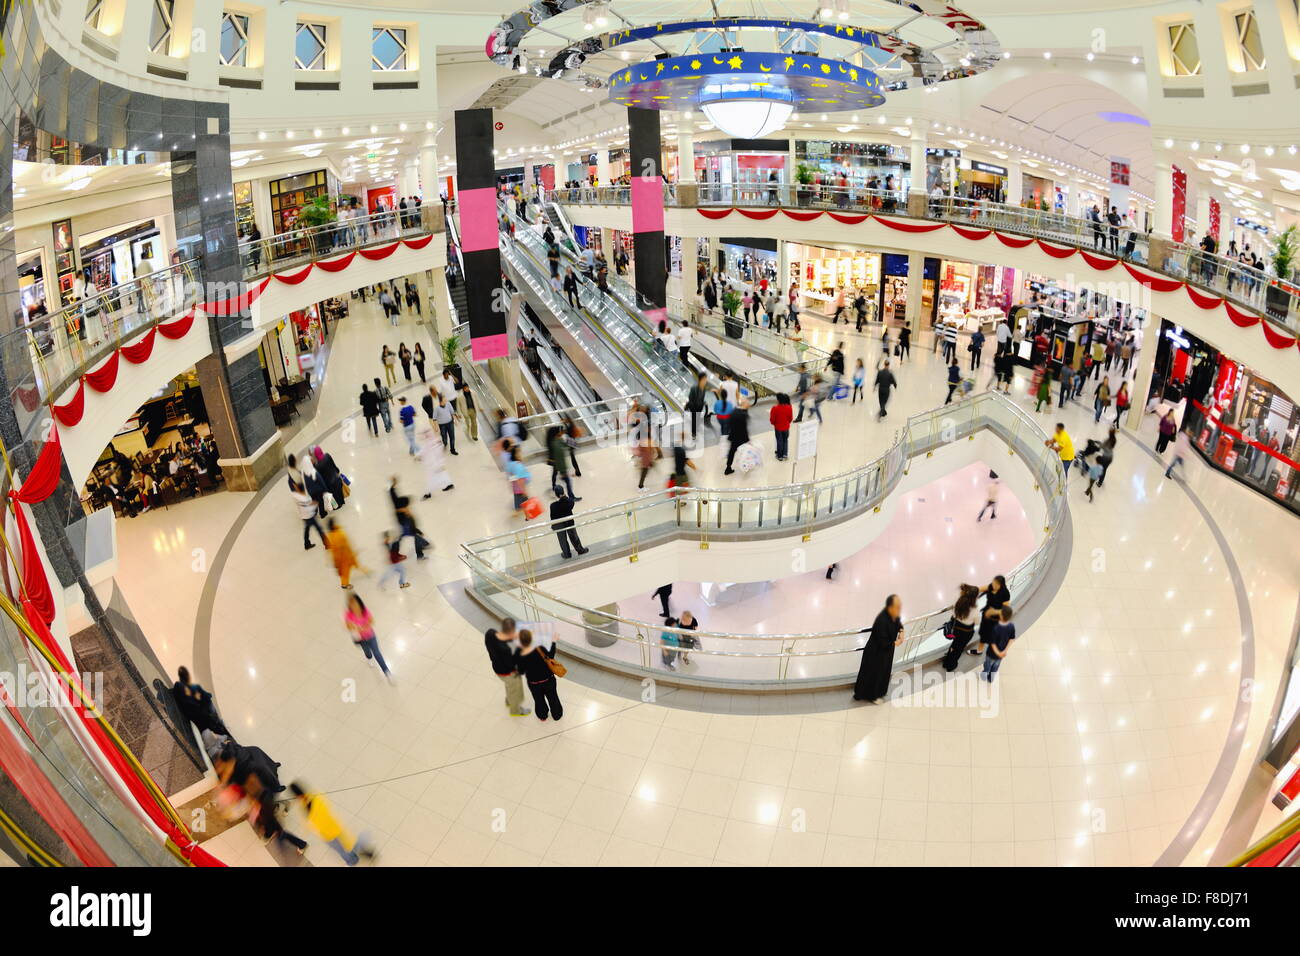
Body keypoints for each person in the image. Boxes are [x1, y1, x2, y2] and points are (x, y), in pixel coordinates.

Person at [289, 782, 375, 866]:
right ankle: (359, 849)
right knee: (347, 844)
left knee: (342, 849)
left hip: (329, 833)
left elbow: (312, 823)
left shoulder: (308, 804)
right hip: (333, 827)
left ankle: (354, 859)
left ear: (298, 796)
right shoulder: (313, 797)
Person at [854, 594, 904, 703]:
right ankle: (872, 696)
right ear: (890, 607)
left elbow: (899, 624)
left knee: (882, 672)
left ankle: (878, 692)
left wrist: (901, 631)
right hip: (876, 653)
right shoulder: (882, 620)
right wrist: (897, 642)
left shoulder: (893, 614)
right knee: (874, 674)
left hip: (886, 652)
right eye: (897, 606)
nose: (899, 609)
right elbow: (883, 641)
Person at [484, 617, 531, 716]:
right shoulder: (505, 650)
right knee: (516, 690)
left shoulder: (490, 633)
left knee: (509, 686)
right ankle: (515, 711)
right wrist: (520, 649)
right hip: (507, 672)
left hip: (497, 668)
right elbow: (511, 665)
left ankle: (509, 701)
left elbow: (501, 641)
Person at [344, 594, 393, 682]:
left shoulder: (365, 611)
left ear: (359, 603)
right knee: (367, 651)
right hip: (360, 639)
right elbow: (348, 626)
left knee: (377, 653)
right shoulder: (348, 614)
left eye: (355, 603)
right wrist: (353, 627)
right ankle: (369, 658)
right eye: (351, 604)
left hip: (370, 636)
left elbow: (371, 621)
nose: (354, 606)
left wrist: (363, 627)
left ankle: (387, 672)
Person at [516, 629, 562, 721]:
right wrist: (553, 642)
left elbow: (520, 671)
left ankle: (542, 716)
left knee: (539, 700)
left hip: (534, 683)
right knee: (553, 697)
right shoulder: (540, 646)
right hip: (548, 679)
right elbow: (550, 656)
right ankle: (557, 715)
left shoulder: (519, 652)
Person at [172, 666, 230, 738]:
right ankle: (222, 727)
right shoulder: (194, 687)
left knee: (207, 702)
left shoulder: (177, 687)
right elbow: (207, 697)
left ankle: (220, 724)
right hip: (204, 717)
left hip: (194, 716)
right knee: (209, 702)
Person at [967, 574, 1011, 658]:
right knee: (983, 633)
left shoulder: (1005, 593)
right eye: (993, 583)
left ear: (1000, 585)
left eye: (995, 584)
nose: (993, 585)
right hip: (986, 615)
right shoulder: (991, 587)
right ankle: (981, 649)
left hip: (995, 619)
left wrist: (993, 612)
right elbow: (980, 589)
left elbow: (1005, 610)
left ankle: (987, 650)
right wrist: (971, 592)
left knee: (988, 634)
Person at [940, 584, 982, 671]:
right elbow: (977, 622)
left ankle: (947, 659)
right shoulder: (975, 610)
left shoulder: (957, 602)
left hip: (955, 629)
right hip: (966, 632)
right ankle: (950, 665)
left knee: (954, 644)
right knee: (958, 649)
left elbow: (953, 614)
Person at [324, 518, 364, 590]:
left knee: (348, 568)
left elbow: (331, 549)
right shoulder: (339, 534)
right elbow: (343, 546)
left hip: (344, 556)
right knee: (345, 572)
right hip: (344, 557)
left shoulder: (330, 536)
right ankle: (344, 584)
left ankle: (360, 569)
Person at [418, 424, 454, 497]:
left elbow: (434, 452)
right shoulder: (434, 441)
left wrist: (420, 456)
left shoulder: (434, 442)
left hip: (434, 464)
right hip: (435, 463)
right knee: (442, 474)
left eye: (426, 433)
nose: (425, 435)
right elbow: (426, 449)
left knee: (430, 477)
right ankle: (449, 484)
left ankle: (428, 493)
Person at [982, 605, 1016, 682]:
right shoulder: (1011, 626)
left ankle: (984, 676)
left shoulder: (995, 627)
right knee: (996, 667)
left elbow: (992, 643)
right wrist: (1004, 651)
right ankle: (991, 679)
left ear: (1001, 615)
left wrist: (997, 653)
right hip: (1002, 653)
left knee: (987, 665)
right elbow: (1012, 639)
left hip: (991, 653)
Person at [550, 491, 588, 559]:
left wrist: (553, 526)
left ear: (556, 495)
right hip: (569, 522)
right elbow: (570, 500)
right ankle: (580, 550)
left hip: (559, 524)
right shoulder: (569, 502)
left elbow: (552, 517)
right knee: (574, 536)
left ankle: (566, 554)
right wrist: (563, 497)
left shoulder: (553, 505)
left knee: (562, 539)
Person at [290, 480, 325, 550]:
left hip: (303, 516)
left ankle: (306, 544)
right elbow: (313, 506)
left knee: (307, 529)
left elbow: (295, 489)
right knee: (319, 529)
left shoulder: (295, 495)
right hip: (310, 516)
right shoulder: (307, 498)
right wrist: (316, 503)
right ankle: (327, 543)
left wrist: (296, 486)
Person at [723, 399, 750, 476]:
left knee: (731, 452)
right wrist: (748, 439)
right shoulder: (743, 415)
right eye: (747, 404)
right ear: (744, 405)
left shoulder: (734, 411)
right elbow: (744, 428)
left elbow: (728, 423)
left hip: (733, 436)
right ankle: (745, 466)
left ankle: (728, 468)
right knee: (745, 452)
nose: (748, 405)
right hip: (741, 438)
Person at [770, 393, 794, 461]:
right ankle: (785, 454)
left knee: (779, 441)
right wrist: (786, 423)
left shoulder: (774, 408)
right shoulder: (789, 407)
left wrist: (774, 424)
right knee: (785, 440)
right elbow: (790, 418)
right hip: (786, 427)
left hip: (778, 428)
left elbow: (772, 419)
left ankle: (779, 456)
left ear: (778, 400)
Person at [685, 371, 708, 441]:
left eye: (706, 379)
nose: (705, 381)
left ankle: (695, 432)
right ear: (700, 379)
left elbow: (701, 399)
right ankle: (693, 434)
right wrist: (693, 408)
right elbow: (690, 399)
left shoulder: (704, 389)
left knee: (697, 421)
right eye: (704, 379)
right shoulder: (694, 388)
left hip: (699, 407)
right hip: (694, 408)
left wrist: (704, 403)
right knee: (694, 421)